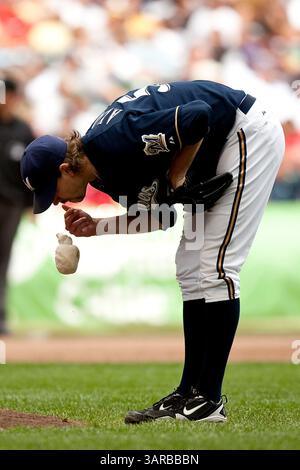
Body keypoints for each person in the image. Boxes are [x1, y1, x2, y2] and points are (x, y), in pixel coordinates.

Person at [21, 80, 284, 423]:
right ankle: (189, 391)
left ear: (64, 169)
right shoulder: (102, 174)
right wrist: (95, 227)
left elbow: (198, 117)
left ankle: (208, 400)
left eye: (51, 191)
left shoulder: (112, 141)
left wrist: (176, 177)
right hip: (216, 149)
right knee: (190, 269)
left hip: (244, 130)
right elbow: (162, 218)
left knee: (217, 268)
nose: (55, 200)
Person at [0, 78, 34, 335]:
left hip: (11, 205)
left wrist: (32, 205)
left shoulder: (23, 130)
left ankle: (0, 317)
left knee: (3, 260)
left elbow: (32, 170)